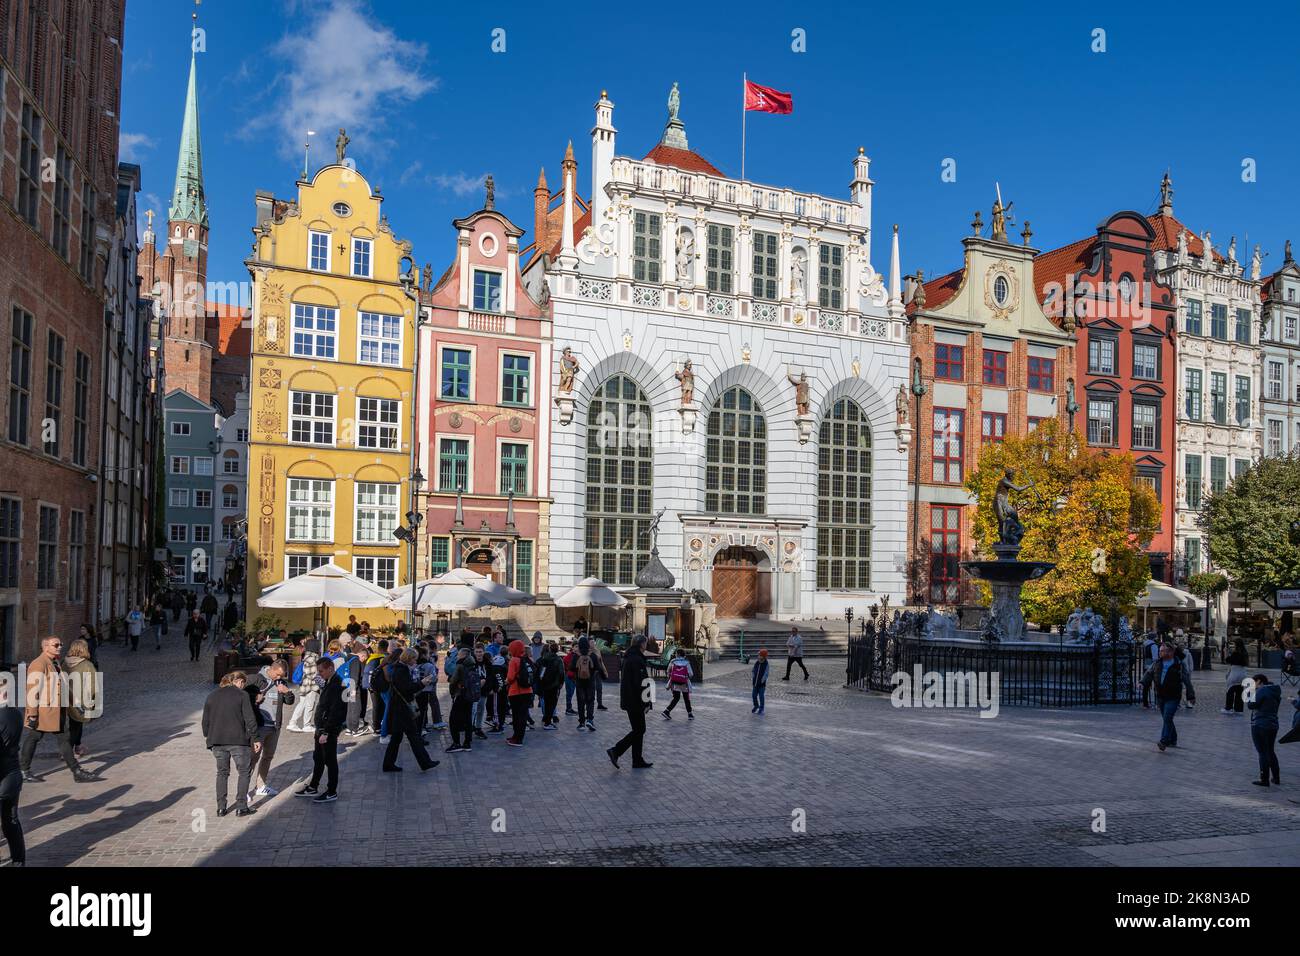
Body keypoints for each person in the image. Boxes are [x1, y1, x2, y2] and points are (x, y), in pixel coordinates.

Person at [20, 636, 95, 783]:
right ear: (45, 647)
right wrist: (33, 714)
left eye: (61, 644)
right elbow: (31, 691)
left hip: (56, 711)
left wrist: (76, 704)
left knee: (63, 740)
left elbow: (64, 687)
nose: (60, 646)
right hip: (43, 712)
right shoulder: (39, 664)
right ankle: (24, 771)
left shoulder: (54, 663)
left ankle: (76, 771)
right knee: (34, 738)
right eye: (56, 644)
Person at [200, 671, 260, 818]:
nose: (243, 686)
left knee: (222, 773)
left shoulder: (212, 696)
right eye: (243, 683)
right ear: (238, 681)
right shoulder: (242, 695)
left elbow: (205, 722)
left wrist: (209, 735)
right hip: (238, 741)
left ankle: (221, 808)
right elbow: (250, 719)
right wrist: (256, 738)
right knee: (244, 772)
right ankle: (241, 807)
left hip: (217, 741)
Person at [294, 657, 347, 803]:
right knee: (318, 758)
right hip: (321, 727)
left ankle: (331, 791)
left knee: (330, 760)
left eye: (321, 671)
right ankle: (313, 786)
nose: (320, 673)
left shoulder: (338, 684)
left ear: (330, 668)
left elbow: (337, 711)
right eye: (319, 671)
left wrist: (327, 731)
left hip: (327, 729)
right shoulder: (330, 682)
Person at [382, 650, 439, 772]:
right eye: (414, 659)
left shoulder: (399, 668)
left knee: (397, 739)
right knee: (413, 736)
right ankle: (425, 762)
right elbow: (407, 689)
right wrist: (422, 683)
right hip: (402, 710)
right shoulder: (402, 670)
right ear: (408, 658)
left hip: (398, 708)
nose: (415, 661)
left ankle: (388, 764)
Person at [248, 660, 294, 800]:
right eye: (277, 674)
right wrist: (255, 698)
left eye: (282, 676)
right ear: (272, 669)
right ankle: (243, 789)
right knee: (252, 758)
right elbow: (243, 696)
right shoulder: (257, 679)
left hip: (275, 726)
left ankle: (261, 786)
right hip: (260, 726)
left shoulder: (281, 683)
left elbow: (290, 701)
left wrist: (287, 692)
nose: (279, 678)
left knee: (268, 757)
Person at [1140, 641, 1196, 752]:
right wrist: (1142, 682)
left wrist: (1191, 695)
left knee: (1167, 717)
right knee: (1167, 719)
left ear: (1170, 652)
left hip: (1173, 696)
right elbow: (1149, 673)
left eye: (1162, 651)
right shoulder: (1157, 663)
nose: (1160, 653)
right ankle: (1173, 739)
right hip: (1161, 696)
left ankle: (1164, 741)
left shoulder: (1179, 665)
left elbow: (1187, 681)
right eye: (1160, 651)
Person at [607, 635, 652, 769]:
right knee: (640, 729)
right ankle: (616, 750)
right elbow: (643, 683)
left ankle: (637, 760)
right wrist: (647, 702)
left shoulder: (629, 657)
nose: (646, 645)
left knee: (638, 729)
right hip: (635, 700)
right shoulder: (636, 659)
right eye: (646, 643)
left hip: (630, 699)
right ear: (641, 644)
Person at [0, 675, 24, 865]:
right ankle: (18, 861)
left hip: (2, 775)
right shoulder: (16, 713)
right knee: (11, 821)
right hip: (13, 774)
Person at [63, 639, 99, 758]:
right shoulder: (87, 665)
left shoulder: (64, 663)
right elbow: (93, 686)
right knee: (76, 725)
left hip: (66, 698)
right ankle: (68, 752)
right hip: (81, 700)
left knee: (75, 724)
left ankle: (77, 746)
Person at [1247, 673, 1282, 787]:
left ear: (1259, 681)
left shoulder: (1262, 691)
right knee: (1270, 750)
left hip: (1260, 724)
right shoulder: (1275, 690)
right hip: (1273, 724)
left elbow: (1251, 705)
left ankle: (1264, 779)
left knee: (1262, 752)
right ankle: (1276, 777)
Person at [446, 647, 480, 753]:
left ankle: (456, 743)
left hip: (461, 694)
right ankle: (467, 743)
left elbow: (453, 681)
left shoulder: (460, 665)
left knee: (453, 719)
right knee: (468, 719)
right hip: (470, 695)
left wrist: (452, 693)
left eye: (459, 654)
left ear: (464, 655)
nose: (457, 656)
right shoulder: (473, 664)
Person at [572, 636, 605, 731]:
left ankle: (581, 722)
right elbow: (598, 668)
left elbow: (571, 668)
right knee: (590, 701)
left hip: (579, 683)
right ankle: (590, 720)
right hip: (590, 682)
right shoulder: (592, 655)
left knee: (580, 702)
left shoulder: (576, 655)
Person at [505, 639, 534, 747]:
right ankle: (516, 736)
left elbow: (511, 677)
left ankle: (517, 739)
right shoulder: (527, 659)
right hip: (528, 691)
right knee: (522, 715)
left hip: (516, 692)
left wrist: (506, 681)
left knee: (517, 717)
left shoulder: (514, 660)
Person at [286, 650, 321, 733]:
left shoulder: (306, 657)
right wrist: (322, 683)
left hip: (304, 685)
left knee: (301, 704)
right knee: (310, 705)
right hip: (310, 686)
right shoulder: (313, 658)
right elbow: (313, 675)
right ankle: (307, 725)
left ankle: (292, 723)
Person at [661, 648, 694, 720]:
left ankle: (667, 711)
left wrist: (671, 677)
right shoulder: (686, 662)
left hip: (675, 683)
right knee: (686, 698)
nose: (675, 655)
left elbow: (668, 671)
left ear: (678, 654)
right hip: (684, 683)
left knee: (676, 698)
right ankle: (690, 714)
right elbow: (691, 674)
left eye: (676, 653)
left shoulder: (673, 661)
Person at [537, 642, 565, 728]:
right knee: (552, 703)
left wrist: (541, 681)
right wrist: (561, 683)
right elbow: (561, 673)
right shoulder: (558, 659)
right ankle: (548, 722)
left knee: (546, 702)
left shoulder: (544, 658)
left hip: (545, 684)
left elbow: (541, 671)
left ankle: (546, 718)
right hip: (554, 685)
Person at [1222, 639, 1249, 715]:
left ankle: (1228, 708)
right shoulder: (1245, 653)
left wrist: (1225, 653)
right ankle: (1239, 709)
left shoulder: (1236, 653)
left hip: (1234, 674)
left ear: (1236, 645)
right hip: (1243, 674)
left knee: (1230, 690)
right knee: (1239, 691)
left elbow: (1228, 660)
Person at [470, 644, 490, 740]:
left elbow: (490, 675)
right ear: (474, 652)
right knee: (473, 709)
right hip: (474, 690)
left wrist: (490, 687)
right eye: (477, 652)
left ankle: (478, 727)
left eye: (480, 652)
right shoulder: (471, 662)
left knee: (481, 708)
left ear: (483, 652)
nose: (479, 654)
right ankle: (470, 727)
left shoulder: (487, 662)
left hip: (484, 690)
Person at [752, 648, 769, 714]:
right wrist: (753, 676)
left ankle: (761, 708)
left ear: (763, 656)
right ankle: (756, 706)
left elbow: (766, 673)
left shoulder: (766, 664)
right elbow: (753, 670)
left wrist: (762, 680)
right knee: (754, 695)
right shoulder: (757, 662)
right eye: (758, 655)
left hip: (761, 685)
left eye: (759, 655)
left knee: (761, 696)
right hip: (755, 683)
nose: (758, 656)